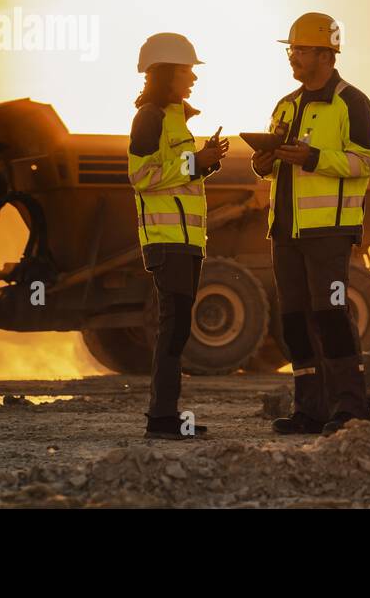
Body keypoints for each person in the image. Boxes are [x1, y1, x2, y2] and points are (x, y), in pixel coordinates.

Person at [253, 12, 370, 436]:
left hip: (329, 233)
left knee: (331, 314)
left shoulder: (352, 103)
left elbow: (366, 163)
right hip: (285, 231)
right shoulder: (285, 105)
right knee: (293, 319)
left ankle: (349, 407)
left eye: (301, 50)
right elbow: (273, 171)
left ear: (327, 54)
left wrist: (313, 158)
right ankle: (309, 409)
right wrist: (264, 162)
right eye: (292, 50)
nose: (293, 57)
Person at [128, 32, 228, 440]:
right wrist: (194, 162)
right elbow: (141, 176)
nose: (193, 79)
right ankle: (161, 419)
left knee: (179, 327)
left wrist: (205, 162)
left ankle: (166, 416)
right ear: (165, 73)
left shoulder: (175, 117)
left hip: (187, 241)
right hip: (166, 241)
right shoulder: (149, 117)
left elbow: (175, 171)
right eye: (187, 71)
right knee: (173, 327)